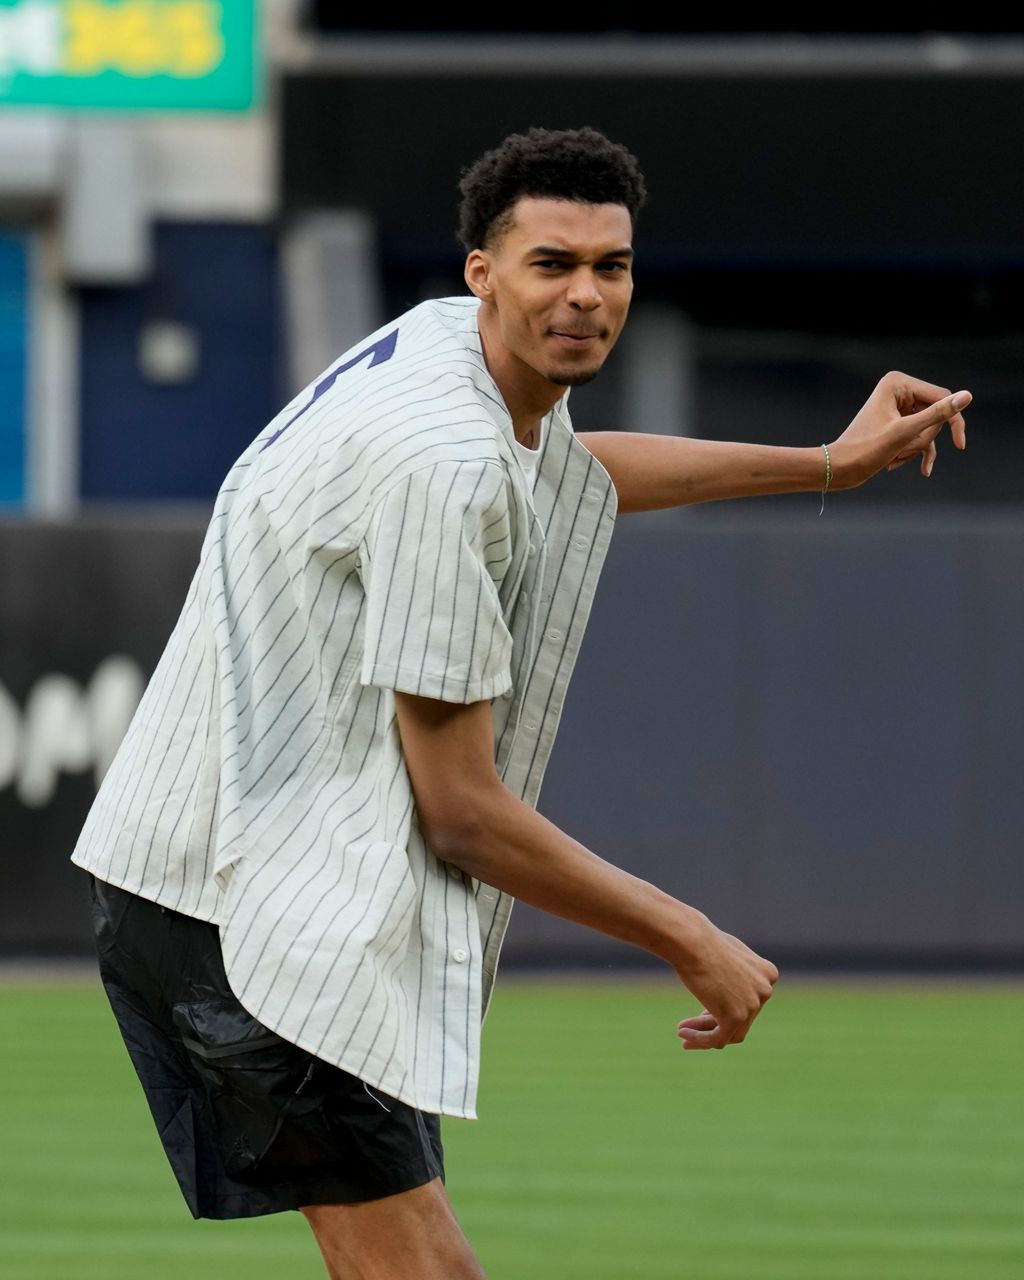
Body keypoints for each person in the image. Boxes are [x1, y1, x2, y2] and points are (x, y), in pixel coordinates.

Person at [72, 126, 970, 1278]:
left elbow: (576, 467)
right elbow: (462, 812)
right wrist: (690, 936)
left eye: (613, 266)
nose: (587, 295)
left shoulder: (455, 353)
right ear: (482, 270)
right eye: (553, 264)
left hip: (233, 874)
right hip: (240, 904)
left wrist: (827, 464)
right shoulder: (445, 462)